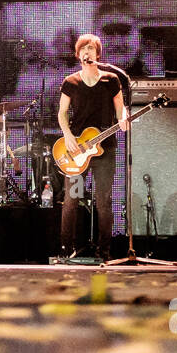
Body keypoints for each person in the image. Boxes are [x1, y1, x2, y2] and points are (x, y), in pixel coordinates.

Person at [58, 34, 130, 261]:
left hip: (105, 148)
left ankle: (104, 252)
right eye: (83, 49)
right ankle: (66, 250)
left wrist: (124, 118)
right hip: (77, 150)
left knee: (104, 201)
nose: (87, 52)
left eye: (91, 48)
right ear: (78, 54)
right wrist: (68, 135)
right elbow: (62, 113)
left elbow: (120, 109)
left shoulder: (111, 79)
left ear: (98, 54)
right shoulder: (71, 82)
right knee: (71, 200)